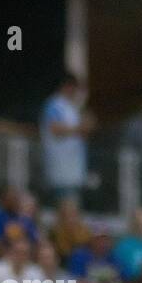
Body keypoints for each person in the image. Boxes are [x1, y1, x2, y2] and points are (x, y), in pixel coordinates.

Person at [40, 72, 93, 204]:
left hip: (75, 168)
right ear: (68, 86)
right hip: (61, 168)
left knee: (74, 205)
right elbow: (54, 128)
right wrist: (80, 128)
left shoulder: (72, 108)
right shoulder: (54, 105)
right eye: (76, 88)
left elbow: (84, 131)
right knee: (65, 205)